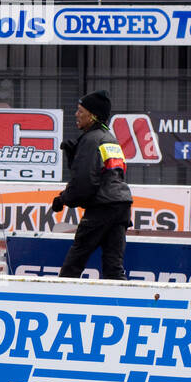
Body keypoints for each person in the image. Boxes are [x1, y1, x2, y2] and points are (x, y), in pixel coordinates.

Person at [51, 90, 134, 279]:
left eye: (80, 111)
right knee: (114, 267)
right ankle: (121, 306)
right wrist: (75, 157)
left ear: (93, 115)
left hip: (102, 207)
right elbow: (109, 175)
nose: (76, 115)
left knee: (73, 264)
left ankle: (59, 301)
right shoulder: (110, 138)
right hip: (121, 206)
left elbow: (84, 183)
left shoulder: (91, 140)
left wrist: (62, 199)